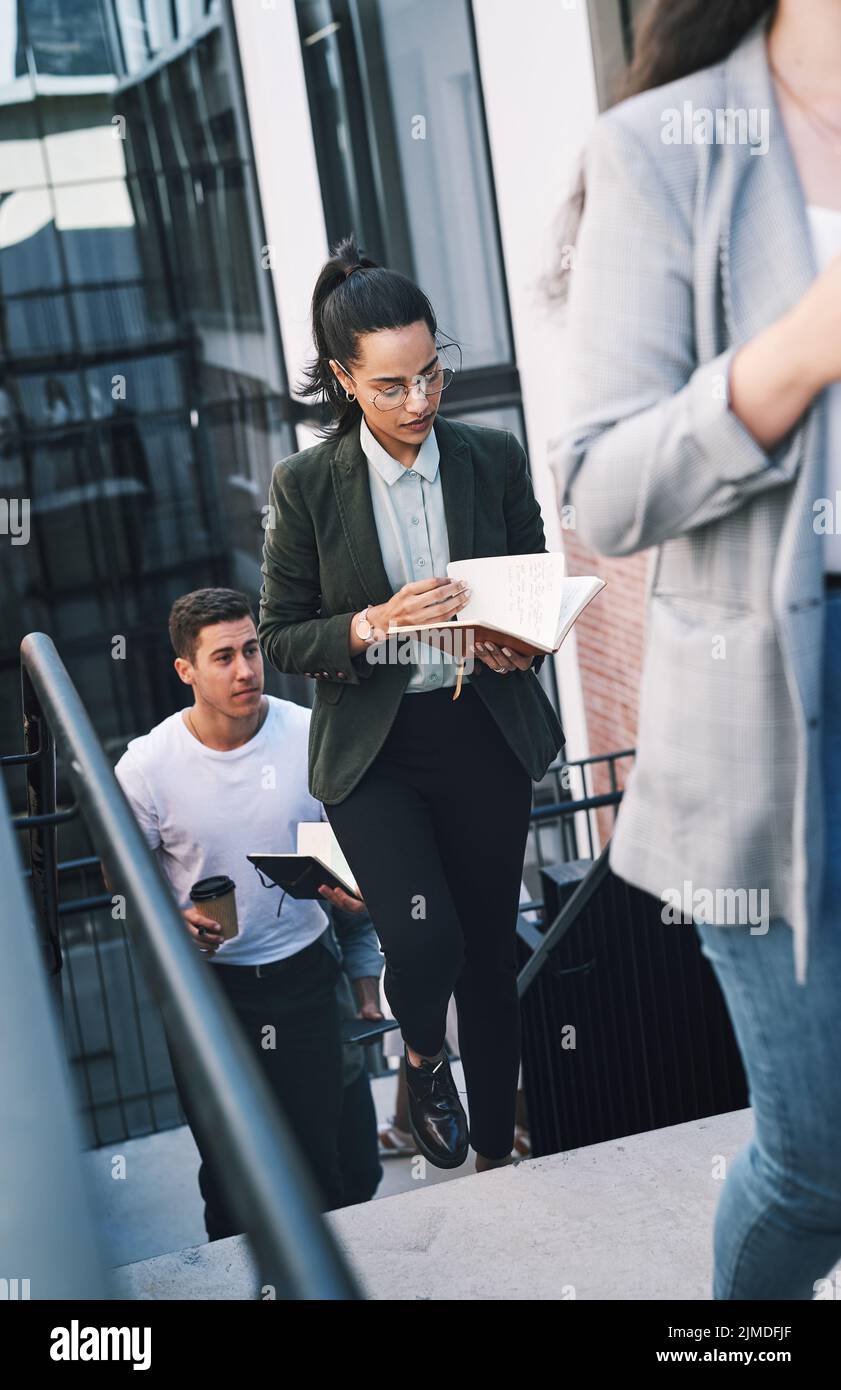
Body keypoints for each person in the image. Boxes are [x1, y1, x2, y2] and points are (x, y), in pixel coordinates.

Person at [553, 0, 841, 1299]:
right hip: (773, 732)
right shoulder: (666, 145)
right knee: (820, 1166)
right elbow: (603, 490)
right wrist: (792, 353)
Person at [258, 234, 564, 1174]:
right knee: (423, 939)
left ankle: (504, 1165)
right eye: (390, 385)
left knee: (488, 953)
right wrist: (371, 623)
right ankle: (426, 1061)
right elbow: (281, 637)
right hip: (376, 753)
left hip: (483, 727)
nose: (419, 400)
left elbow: (534, 587)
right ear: (346, 381)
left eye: (429, 374)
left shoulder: (490, 456)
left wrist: (520, 639)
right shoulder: (306, 486)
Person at [113, 587, 385, 1234]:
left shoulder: (306, 731)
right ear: (186, 670)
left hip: (305, 974)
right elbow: (121, 877)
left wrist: (359, 891)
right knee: (230, 1171)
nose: (244, 670)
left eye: (252, 649)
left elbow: (355, 850)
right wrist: (168, 917)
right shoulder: (147, 767)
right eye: (224, 657)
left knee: (322, 1163)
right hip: (208, 991)